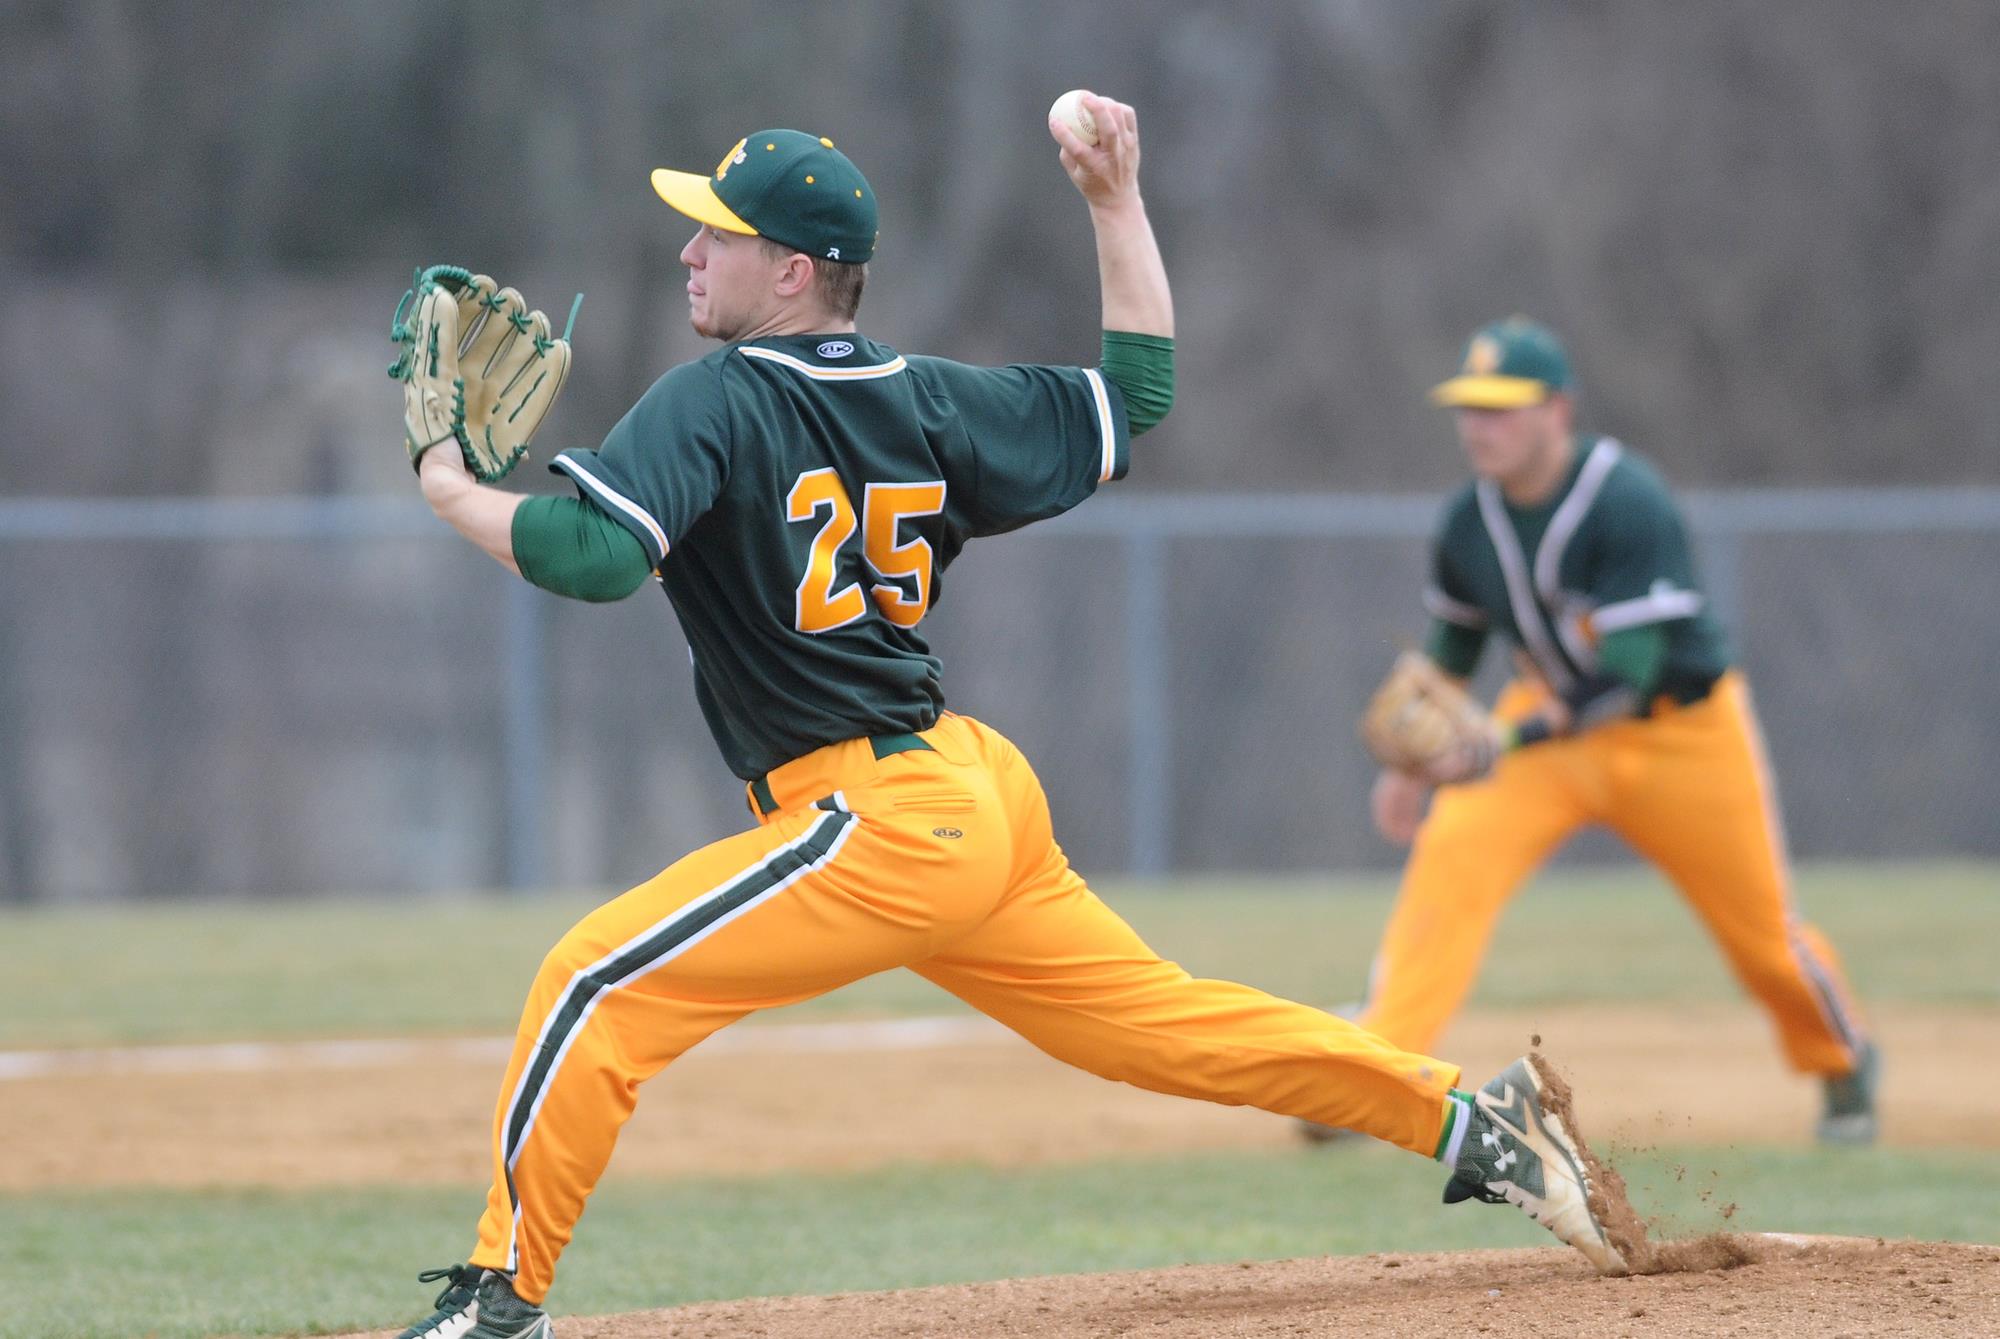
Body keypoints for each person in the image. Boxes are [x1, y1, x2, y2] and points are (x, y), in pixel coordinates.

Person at [392, 108, 1626, 1339]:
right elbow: (1134, 392)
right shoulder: (924, 399)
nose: (688, 254)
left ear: (793, 271)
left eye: (716, 232)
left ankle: (501, 1304)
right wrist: (1114, 199)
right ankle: (1476, 1120)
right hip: (968, 800)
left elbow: (598, 559)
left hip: (874, 823)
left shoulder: (711, 398)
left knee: (593, 982)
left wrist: (450, 484)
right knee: (1170, 1026)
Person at [1302, 316, 1877, 1149]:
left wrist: (1508, 743)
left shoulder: (1625, 497)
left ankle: (1843, 1062)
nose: (1479, 425)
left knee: (1764, 941)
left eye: (1502, 407)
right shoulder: (1469, 520)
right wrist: (1411, 770)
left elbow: (1625, 674)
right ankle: (1373, 1074)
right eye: (1470, 407)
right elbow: (1456, 642)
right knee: (1449, 869)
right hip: (1542, 728)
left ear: (1558, 410)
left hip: (1680, 732)